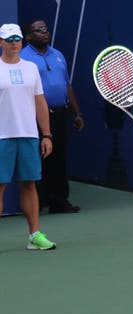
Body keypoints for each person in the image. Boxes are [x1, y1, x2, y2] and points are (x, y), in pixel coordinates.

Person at [0, 23, 56, 251]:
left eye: (17, 39)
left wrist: (47, 135)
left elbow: (40, 102)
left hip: (29, 135)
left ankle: (34, 236)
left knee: (29, 184)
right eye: (9, 39)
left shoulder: (31, 68)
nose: (14, 43)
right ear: (1, 42)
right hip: (2, 137)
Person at [21, 19, 84, 214]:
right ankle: (39, 202)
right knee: (39, 157)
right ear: (29, 36)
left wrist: (77, 113)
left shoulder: (58, 55)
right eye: (39, 30)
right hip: (35, 116)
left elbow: (67, 86)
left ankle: (59, 201)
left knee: (59, 157)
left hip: (60, 113)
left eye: (46, 29)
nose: (45, 32)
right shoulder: (24, 58)